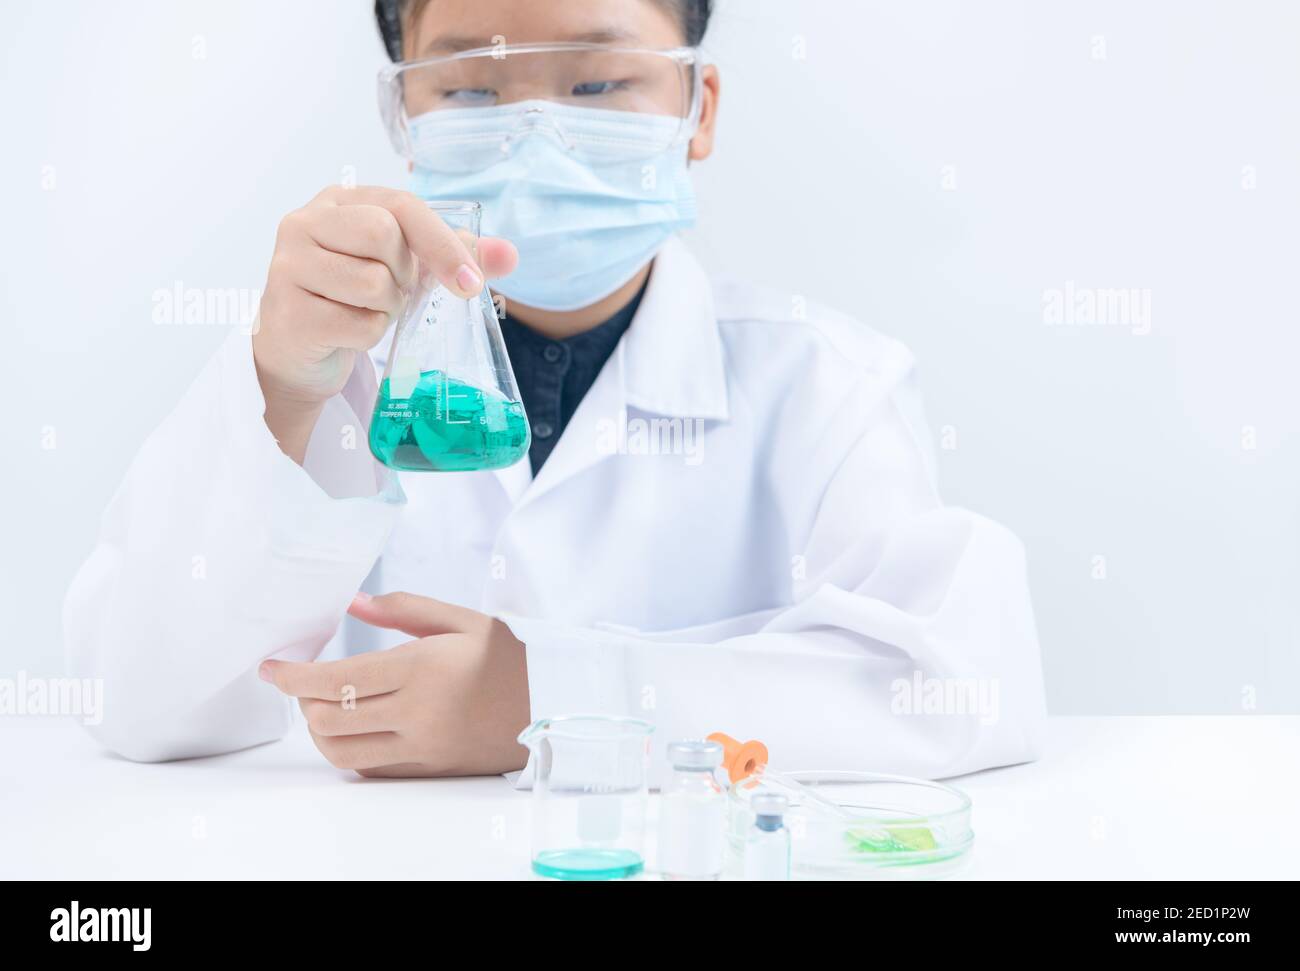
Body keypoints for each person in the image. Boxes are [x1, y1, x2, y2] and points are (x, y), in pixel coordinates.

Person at [64, 0, 1046, 780]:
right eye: (471, 91)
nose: (537, 137)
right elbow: (139, 702)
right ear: (402, 115)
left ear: (698, 107)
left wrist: (549, 697)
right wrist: (280, 387)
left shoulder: (824, 385)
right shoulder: (328, 372)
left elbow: (954, 683)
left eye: (595, 80)